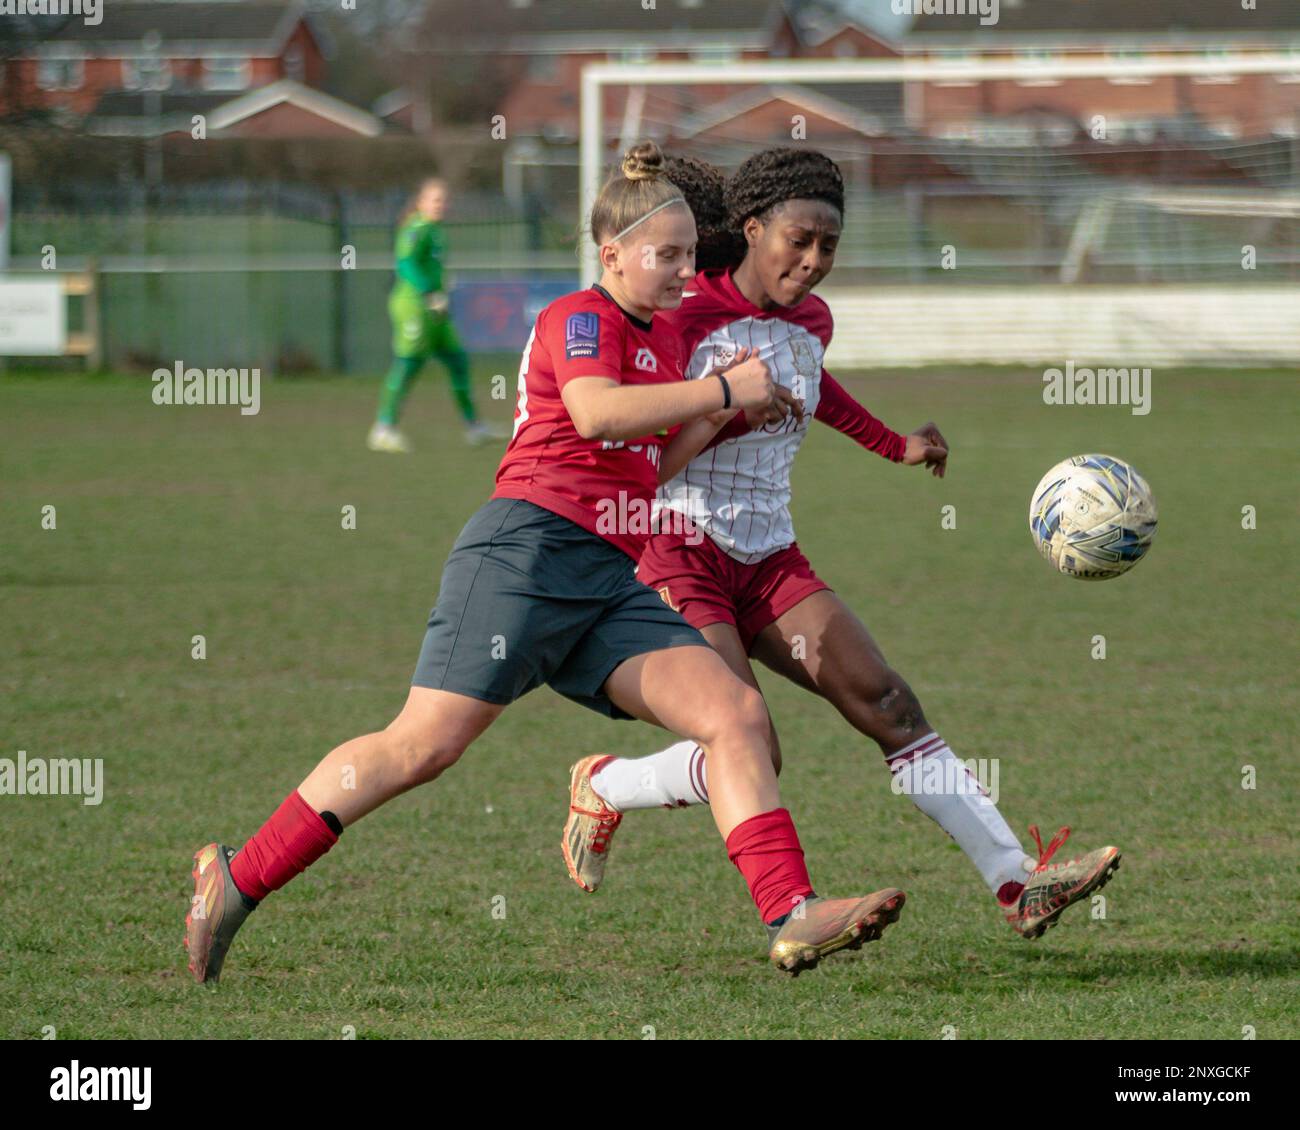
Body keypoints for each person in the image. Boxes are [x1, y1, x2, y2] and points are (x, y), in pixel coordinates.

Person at [186, 142, 906, 984]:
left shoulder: (668, 345)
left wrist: (725, 419)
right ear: (612, 256)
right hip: (524, 555)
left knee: (737, 717)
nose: (683, 271)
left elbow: (648, 464)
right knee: (421, 749)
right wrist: (719, 394)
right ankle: (233, 878)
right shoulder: (580, 317)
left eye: (687, 254)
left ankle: (792, 911)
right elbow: (596, 415)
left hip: (610, 579)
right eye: (665, 256)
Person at [562, 148, 1121, 941]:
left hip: (770, 555)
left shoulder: (813, 320)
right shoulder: (679, 313)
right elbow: (625, 433)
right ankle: (613, 787)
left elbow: (816, 384)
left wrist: (892, 444)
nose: (814, 261)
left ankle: (1016, 883)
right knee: (750, 742)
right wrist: (719, 411)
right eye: (798, 240)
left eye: (828, 246)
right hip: (674, 547)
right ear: (751, 229)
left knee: (888, 701)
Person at [368, 177, 505, 452]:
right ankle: (383, 429)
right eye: (435, 199)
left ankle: (474, 427)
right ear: (421, 202)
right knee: (408, 364)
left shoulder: (435, 229)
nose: (441, 205)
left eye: (444, 200)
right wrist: (429, 291)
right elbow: (405, 264)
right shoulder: (415, 229)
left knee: (457, 360)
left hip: (435, 308)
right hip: (415, 307)